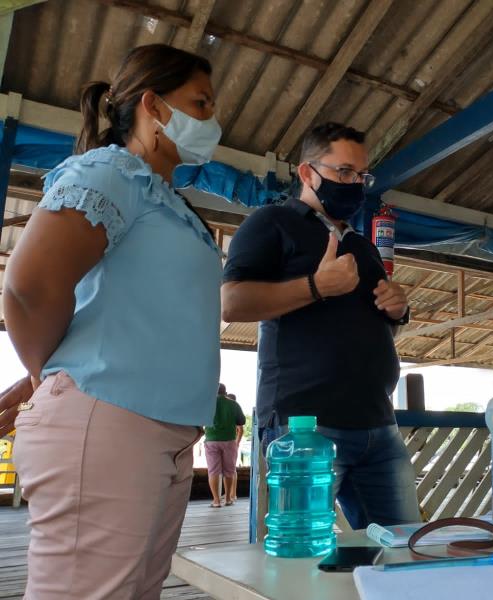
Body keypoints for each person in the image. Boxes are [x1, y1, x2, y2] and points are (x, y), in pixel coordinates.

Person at [2, 44, 223, 599]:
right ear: (152, 104)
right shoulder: (112, 171)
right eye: (199, 103)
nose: (211, 120)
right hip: (111, 426)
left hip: (162, 436)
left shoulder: (168, 199)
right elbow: (30, 288)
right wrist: (46, 375)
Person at [221, 122, 419, 529]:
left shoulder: (362, 246)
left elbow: (375, 329)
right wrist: (315, 286)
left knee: (402, 555)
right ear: (307, 172)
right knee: (299, 558)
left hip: (379, 424)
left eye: (361, 176)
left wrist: (397, 312)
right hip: (306, 427)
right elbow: (232, 302)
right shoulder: (271, 222)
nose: (355, 184)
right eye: (343, 172)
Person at [205, 384, 246, 507]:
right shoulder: (233, 404)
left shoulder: (208, 403)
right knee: (229, 470)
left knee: (213, 471)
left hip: (211, 440)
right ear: (225, 392)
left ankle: (216, 501)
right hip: (229, 440)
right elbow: (242, 421)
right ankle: (228, 499)